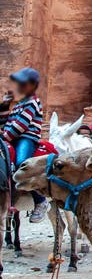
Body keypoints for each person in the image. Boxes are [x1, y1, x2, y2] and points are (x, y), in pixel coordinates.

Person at [0, 67, 47, 222]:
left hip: (26, 138)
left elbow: (21, 125)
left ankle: (40, 200)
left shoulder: (33, 102)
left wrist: (5, 136)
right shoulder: (18, 104)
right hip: (12, 138)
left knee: (22, 163)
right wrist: (5, 106)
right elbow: (4, 122)